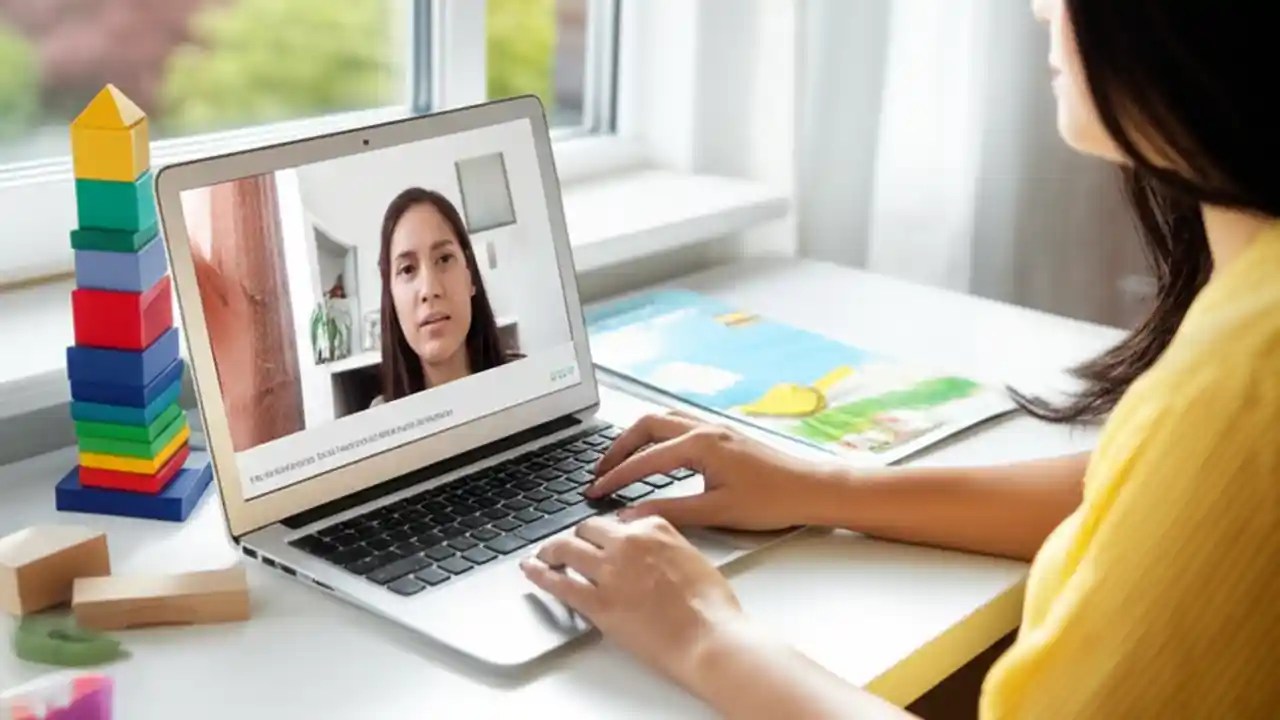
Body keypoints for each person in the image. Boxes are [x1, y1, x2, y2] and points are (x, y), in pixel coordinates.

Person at [521, 1, 1279, 717]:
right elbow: (1130, 493)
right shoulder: (1243, 343)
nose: (1040, 7)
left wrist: (702, 633)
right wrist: (827, 486)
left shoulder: (1240, 384)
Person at [375, 188, 516, 405]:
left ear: (471, 276)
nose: (429, 290)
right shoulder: (381, 420)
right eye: (407, 269)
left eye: (444, 259)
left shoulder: (524, 382)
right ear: (391, 297)